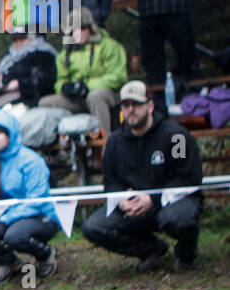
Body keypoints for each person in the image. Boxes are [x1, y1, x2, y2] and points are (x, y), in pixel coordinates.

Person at [82, 80, 202, 272]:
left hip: (173, 200)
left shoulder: (176, 137)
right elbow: (110, 183)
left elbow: (188, 178)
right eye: (126, 105)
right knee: (93, 227)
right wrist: (123, 200)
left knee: (180, 220)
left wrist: (152, 198)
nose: (131, 110)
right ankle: (151, 250)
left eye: (137, 104)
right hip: (134, 205)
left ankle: (186, 254)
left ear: (150, 106)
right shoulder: (114, 142)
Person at [0, 108, 59, 284]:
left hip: (39, 215)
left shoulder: (31, 160)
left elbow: (36, 200)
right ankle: (8, 261)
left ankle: (45, 254)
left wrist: (5, 220)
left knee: (14, 236)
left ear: (10, 134)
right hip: (8, 214)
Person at [38, 9, 127, 136]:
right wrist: (66, 88)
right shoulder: (66, 54)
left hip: (105, 94)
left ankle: (106, 144)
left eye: (82, 28)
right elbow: (60, 81)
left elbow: (118, 76)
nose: (78, 33)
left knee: (95, 96)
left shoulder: (108, 46)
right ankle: (59, 147)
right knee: (45, 103)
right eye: (74, 30)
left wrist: (87, 86)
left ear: (91, 28)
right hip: (76, 99)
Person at [0, 29, 58, 127]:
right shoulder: (9, 59)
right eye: (15, 40)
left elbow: (44, 81)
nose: (19, 43)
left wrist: (19, 84)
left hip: (28, 98)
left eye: (22, 39)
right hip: (6, 94)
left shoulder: (43, 54)